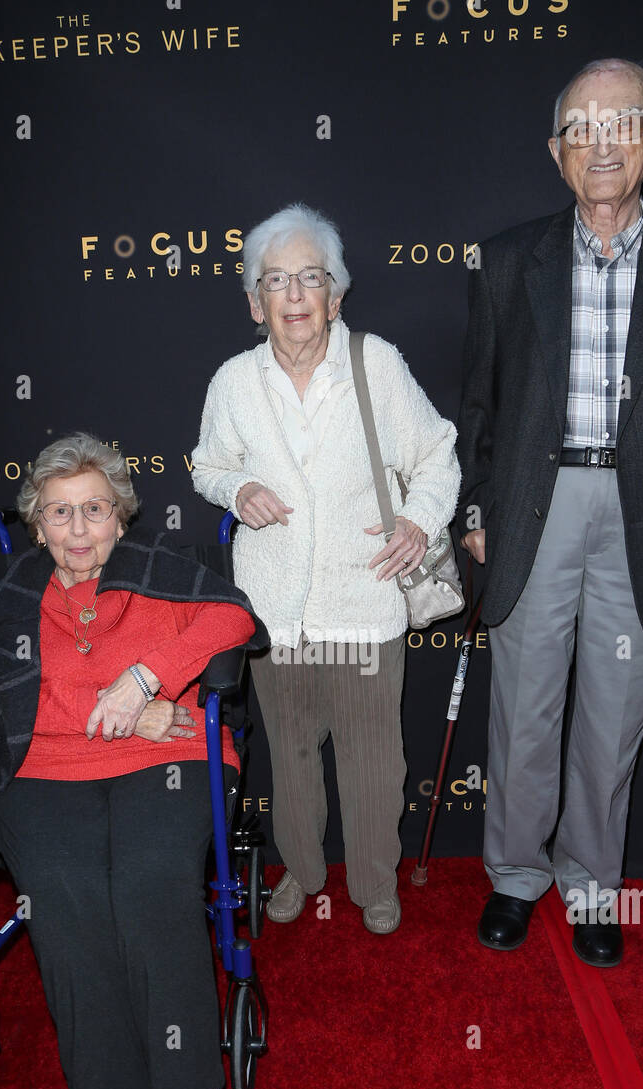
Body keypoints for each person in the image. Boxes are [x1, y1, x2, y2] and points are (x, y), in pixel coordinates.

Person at [457, 58, 643, 967]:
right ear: (556, 152)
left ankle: (591, 883)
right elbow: (483, 404)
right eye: (580, 127)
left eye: (621, 123)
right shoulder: (508, 260)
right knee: (523, 710)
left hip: (637, 509)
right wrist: (477, 507)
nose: (601, 142)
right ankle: (515, 876)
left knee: (615, 713)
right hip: (532, 511)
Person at [0, 433, 265, 1089]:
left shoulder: (158, 574)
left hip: (165, 757)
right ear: (37, 525)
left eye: (94, 509)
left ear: (120, 517)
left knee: (151, 880)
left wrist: (148, 680)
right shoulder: (15, 595)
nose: (78, 528)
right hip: (47, 767)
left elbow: (235, 622)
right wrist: (137, 720)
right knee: (61, 895)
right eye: (60, 513)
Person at [191, 203, 460, 935]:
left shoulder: (376, 363)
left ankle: (376, 881)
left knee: (375, 763)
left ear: (336, 293)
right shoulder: (234, 381)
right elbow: (207, 466)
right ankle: (303, 874)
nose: (296, 295)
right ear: (255, 301)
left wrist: (420, 520)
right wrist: (235, 488)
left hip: (364, 598)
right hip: (276, 611)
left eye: (311, 276)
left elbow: (437, 451)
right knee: (292, 758)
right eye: (276, 280)